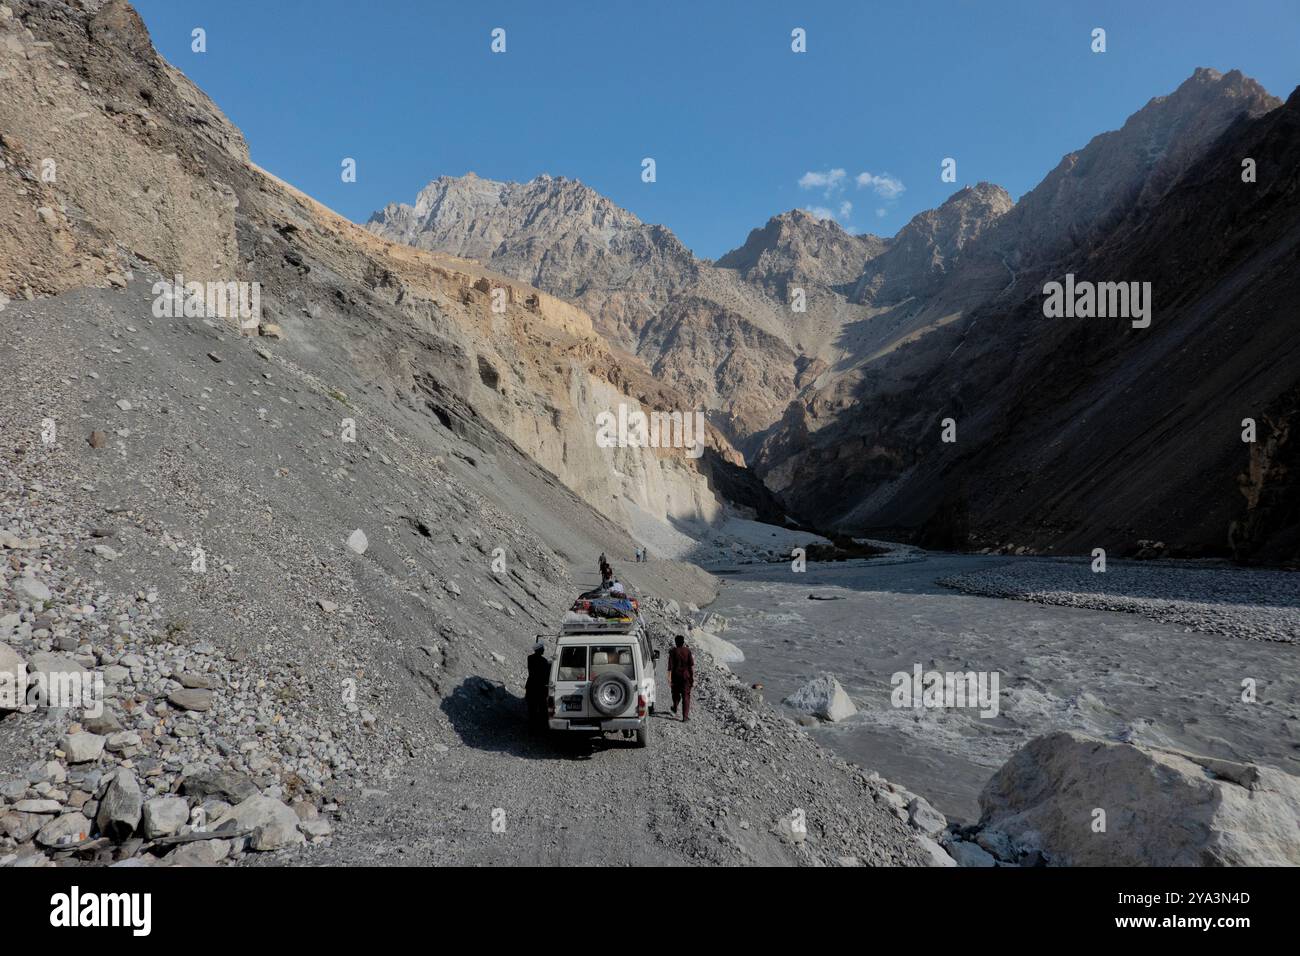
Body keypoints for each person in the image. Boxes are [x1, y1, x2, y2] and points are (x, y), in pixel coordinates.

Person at [667, 633, 694, 721]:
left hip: (675, 676)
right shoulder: (687, 651)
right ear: (683, 642)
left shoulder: (672, 651)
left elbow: (670, 667)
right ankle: (685, 717)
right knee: (686, 696)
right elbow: (691, 666)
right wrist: (692, 678)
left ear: (675, 642)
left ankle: (675, 707)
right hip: (686, 676)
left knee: (675, 694)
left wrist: (669, 679)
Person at [525, 640, 550, 731]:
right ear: (539, 650)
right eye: (542, 648)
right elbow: (547, 673)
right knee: (542, 708)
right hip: (540, 688)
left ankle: (532, 727)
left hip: (531, 686)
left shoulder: (530, 658)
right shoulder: (544, 661)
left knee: (532, 709)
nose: (544, 650)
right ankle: (541, 727)